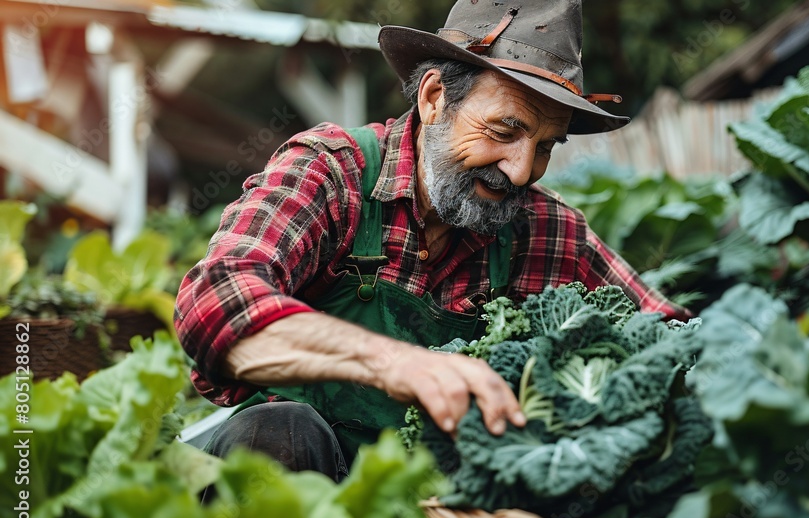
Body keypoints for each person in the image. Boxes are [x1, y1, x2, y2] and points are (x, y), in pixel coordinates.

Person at [174, 0, 690, 482]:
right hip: (296, 509)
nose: (520, 170)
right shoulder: (334, 173)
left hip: (445, 516)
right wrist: (397, 363)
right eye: (505, 130)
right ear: (434, 98)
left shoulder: (548, 231)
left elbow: (672, 341)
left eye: (545, 147)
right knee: (279, 431)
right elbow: (213, 304)